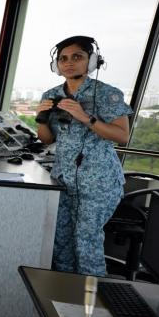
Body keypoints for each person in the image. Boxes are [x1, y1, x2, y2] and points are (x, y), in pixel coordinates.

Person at [35, 35, 131, 276]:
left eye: (77, 57)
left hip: (99, 182)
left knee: (86, 243)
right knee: (61, 243)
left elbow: (122, 136)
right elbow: (47, 139)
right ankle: (66, 299)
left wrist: (85, 116)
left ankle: (95, 306)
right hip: (64, 179)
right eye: (63, 59)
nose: (69, 63)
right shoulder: (52, 94)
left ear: (92, 61)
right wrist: (41, 118)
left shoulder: (108, 94)